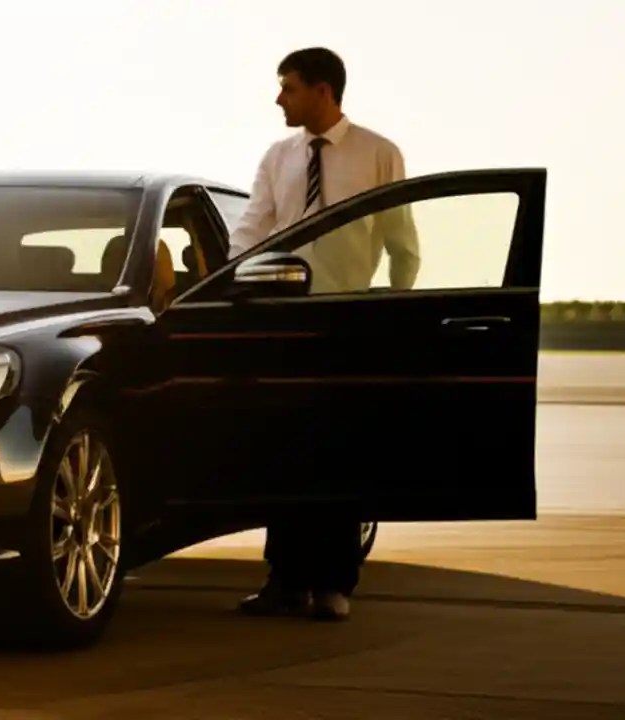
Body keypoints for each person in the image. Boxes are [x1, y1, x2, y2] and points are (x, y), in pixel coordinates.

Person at [226, 47, 420, 621]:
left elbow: (402, 244)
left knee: (339, 453)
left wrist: (394, 313)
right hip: (283, 319)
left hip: (348, 321)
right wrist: (227, 286)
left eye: (287, 87)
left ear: (323, 90)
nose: (278, 99)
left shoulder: (379, 153)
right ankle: (285, 581)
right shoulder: (277, 156)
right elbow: (252, 229)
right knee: (284, 452)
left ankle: (335, 584)